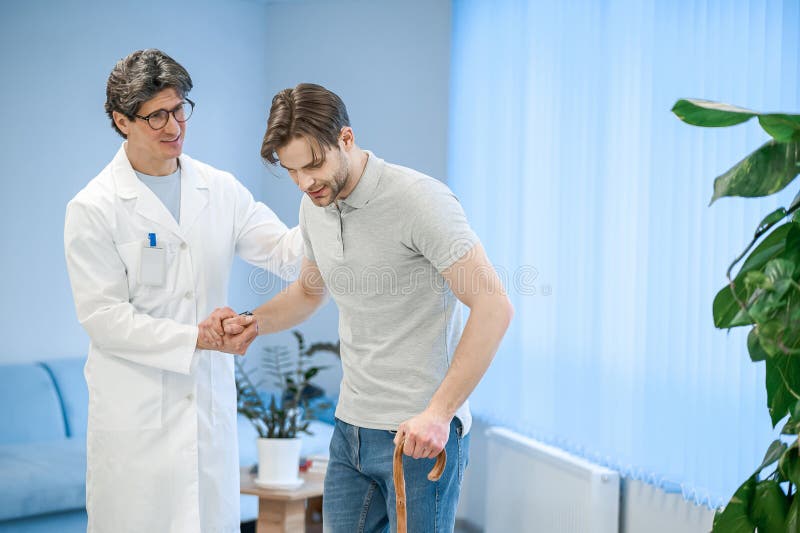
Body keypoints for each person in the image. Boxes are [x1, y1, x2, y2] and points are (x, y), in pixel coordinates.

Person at [222, 83, 513, 532]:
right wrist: (253, 322)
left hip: (418, 436)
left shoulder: (419, 200)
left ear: (346, 138)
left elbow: (494, 305)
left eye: (314, 165)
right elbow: (308, 291)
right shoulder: (313, 206)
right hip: (349, 430)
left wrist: (439, 414)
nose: (305, 183)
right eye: (292, 170)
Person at [63, 49, 302, 533]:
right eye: (156, 116)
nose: (174, 127)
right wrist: (198, 337)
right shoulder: (94, 207)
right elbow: (104, 319)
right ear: (121, 120)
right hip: (135, 415)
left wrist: (328, 192)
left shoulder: (220, 189)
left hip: (206, 406)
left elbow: (286, 251)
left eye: (180, 109)